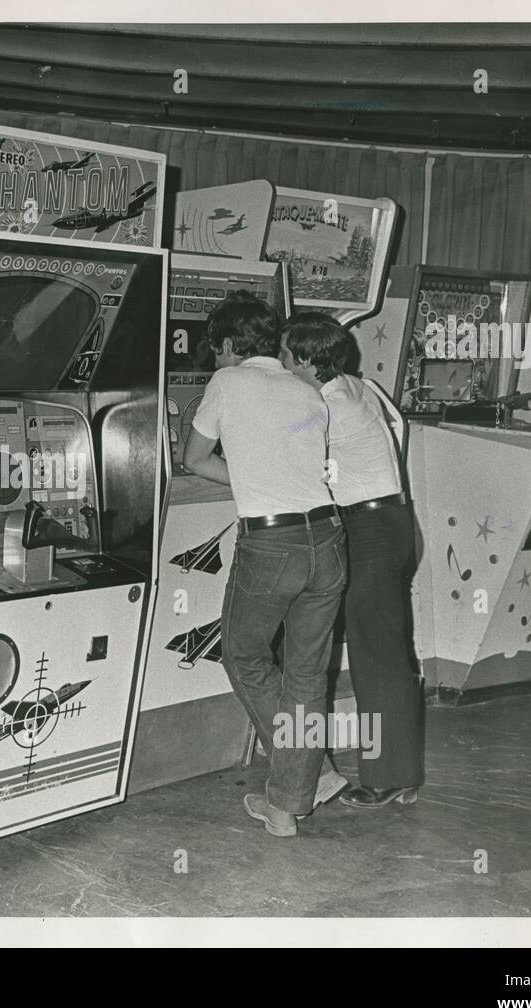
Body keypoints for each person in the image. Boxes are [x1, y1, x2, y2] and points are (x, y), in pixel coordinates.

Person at [183, 295, 348, 837]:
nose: (214, 358)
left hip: (271, 545)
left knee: (244, 655)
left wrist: (251, 479)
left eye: (215, 349)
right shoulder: (308, 389)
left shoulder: (227, 383)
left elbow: (193, 459)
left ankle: (299, 783)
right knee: (306, 673)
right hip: (327, 539)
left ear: (229, 346)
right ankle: (297, 789)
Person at [279, 312, 424, 808]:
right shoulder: (362, 387)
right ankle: (400, 772)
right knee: (387, 650)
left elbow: (292, 458)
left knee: (374, 657)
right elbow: (398, 426)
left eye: (282, 354)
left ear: (302, 359)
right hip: (395, 521)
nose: (278, 361)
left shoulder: (319, 405)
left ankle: (386, 778)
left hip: (369, 532)